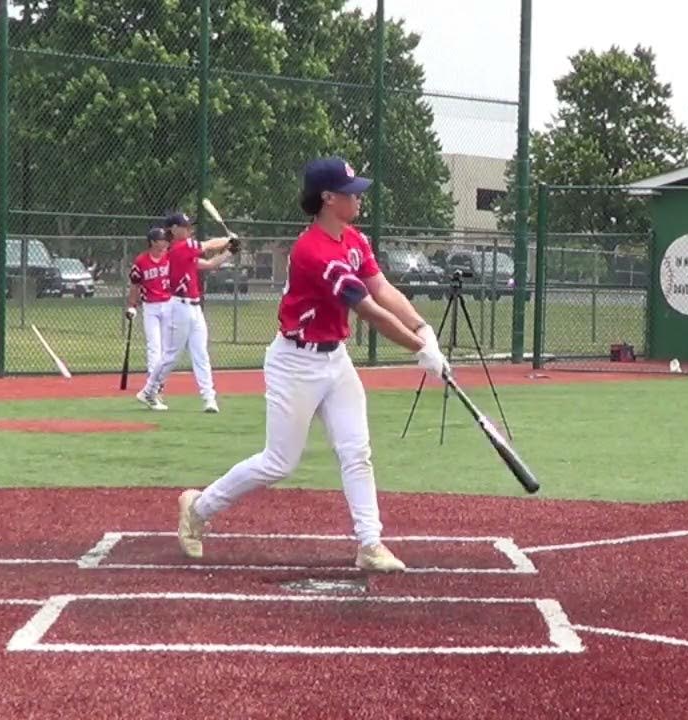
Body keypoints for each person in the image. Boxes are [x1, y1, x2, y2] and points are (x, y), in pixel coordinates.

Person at [174, 156, 450, 573]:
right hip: (295, 364)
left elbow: (382, 288)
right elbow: (369, 310)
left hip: (334, 359)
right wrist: (418, 349)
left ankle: (370, 544)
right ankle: (198, 508)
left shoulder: (354, 240)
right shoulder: (314, 252)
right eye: (350, 193)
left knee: (357, 451)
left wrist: (423, 328)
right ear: (327, 198)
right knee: (279, 462)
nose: (358, 199)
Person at [137, 211, 237, 413]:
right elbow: (208, 245)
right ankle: (149, 390)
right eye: (185, 226)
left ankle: (209, 399)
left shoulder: (184, 250)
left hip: (194, 307)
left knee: (201, 354)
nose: (189, 229)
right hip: (179, 307)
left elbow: (208, 264)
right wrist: (229, 239)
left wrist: (230, 252)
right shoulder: (179, 247)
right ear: (173, 229)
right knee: (171, 356)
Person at [125, 227, 172, 410]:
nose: (165, 242)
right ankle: (152, 390)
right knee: (154, 347)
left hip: (169, 305)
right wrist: (131, 306)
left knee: (168, 349)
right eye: (161, 239)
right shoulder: (141, 261)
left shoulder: (170, 257)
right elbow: (135, 286)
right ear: (153, 242)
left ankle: (157, 388)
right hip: (151, 307)